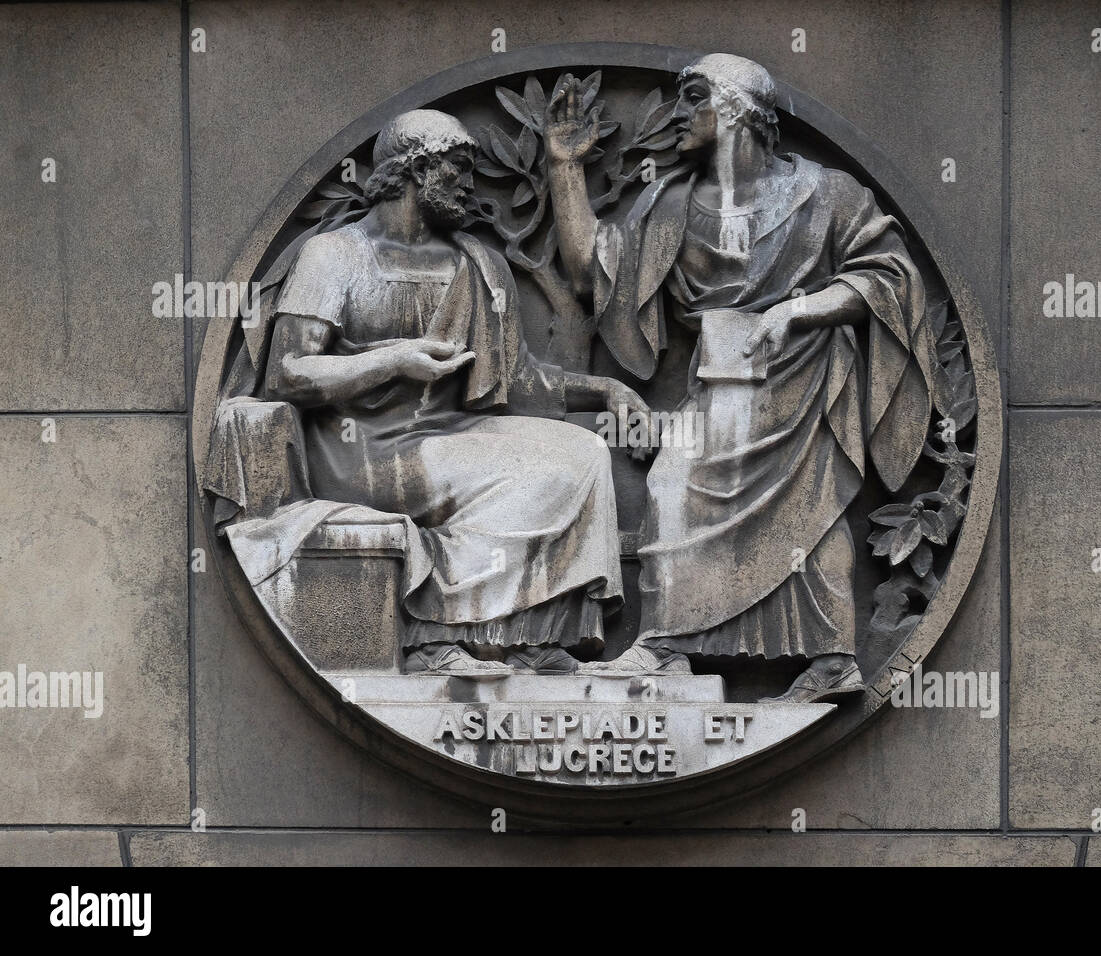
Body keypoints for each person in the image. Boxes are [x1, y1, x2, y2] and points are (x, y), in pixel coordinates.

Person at [545, 54, 935, 702]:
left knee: (812, 510)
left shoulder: (828, 194)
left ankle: (833, 660)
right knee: (673, 485)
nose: (674, 116)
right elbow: (592, 272)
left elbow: (890, 277)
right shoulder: (670, 205)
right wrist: (563, 166)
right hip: (721, 373)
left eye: (690, 98)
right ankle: (665, 649)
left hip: (807, 375)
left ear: (733, 109)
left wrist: (798, 309)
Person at [263, 109, 650, 677]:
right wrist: (394, 360)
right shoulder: (335, 256)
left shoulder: (476, 262)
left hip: (445, 434)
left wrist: (607, 388)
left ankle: (528, 632)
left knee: (580, 454)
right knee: (517, 474)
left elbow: (522, 380)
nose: (470, 185)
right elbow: (288, 373)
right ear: (414, 171)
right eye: (458, 169)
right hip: (360, 447)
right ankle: (432, 634)